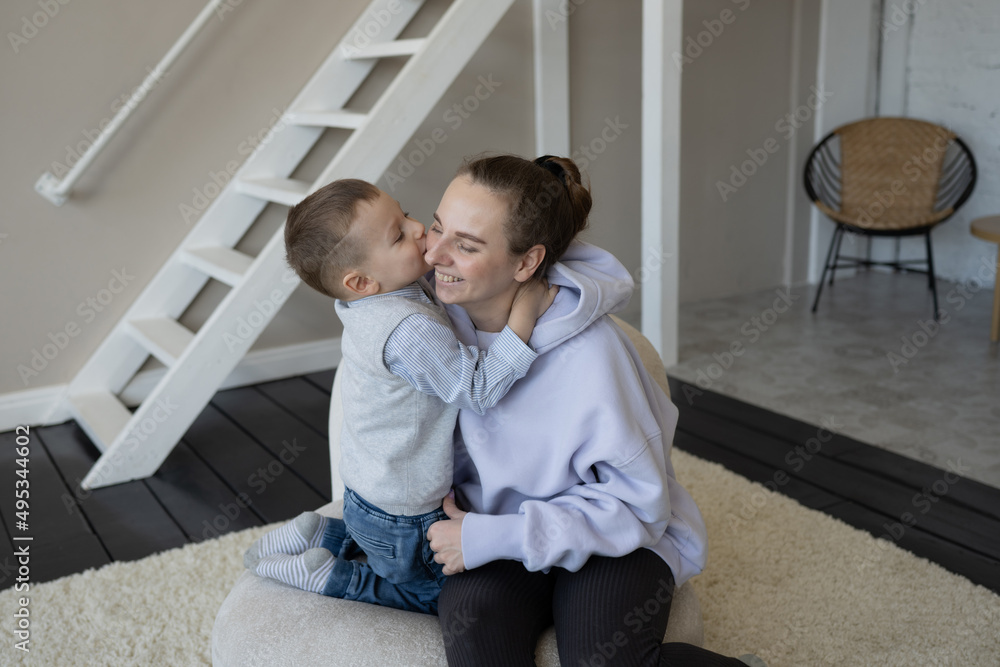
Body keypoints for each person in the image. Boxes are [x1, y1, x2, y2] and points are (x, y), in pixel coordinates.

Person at [424, 154, 763, 666]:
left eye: (466, 245)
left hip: (613, 539)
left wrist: (495, 535)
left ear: (526, 262)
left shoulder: (592, 355)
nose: (435, 255)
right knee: (477, 645)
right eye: (436, 228)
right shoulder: (432, 331)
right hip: (499, 531)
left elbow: (639, 508)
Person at [243, 178, 556, 614]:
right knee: (441, 594)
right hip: (406, 514)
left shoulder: (369, 297)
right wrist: (527, 307)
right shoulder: (406, 331)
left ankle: (326, 534)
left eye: (406, 214)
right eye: (398, 234)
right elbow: (478, 388)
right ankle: (334, 576)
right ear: (362, 281)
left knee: (381, 540)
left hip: (369, 492)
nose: (417, 229)